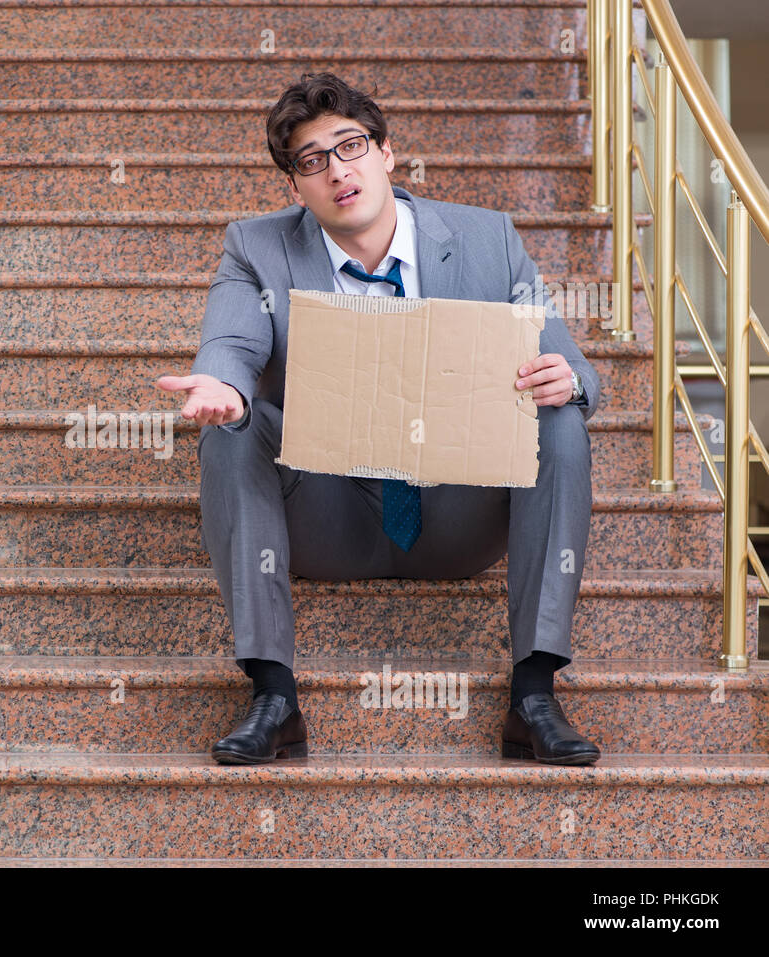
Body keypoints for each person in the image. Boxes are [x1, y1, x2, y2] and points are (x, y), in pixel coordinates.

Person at [156, 72, 603, 767]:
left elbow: (575, 366)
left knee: (562, 419)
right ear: (295, 187)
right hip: (327, 516)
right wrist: (226, 389)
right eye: (312, 161)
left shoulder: (488, 240)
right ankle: (273, 697)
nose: (337, 171)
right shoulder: (256, 247)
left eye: (350, 147)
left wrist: (569, 379)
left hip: (461, 512)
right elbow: (232, 346)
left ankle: (534, 694)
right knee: (232, 429)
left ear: (386, 153)